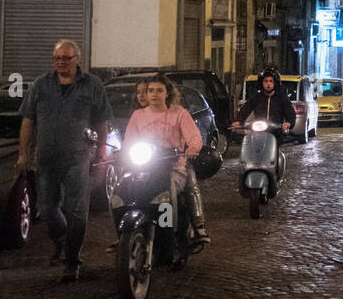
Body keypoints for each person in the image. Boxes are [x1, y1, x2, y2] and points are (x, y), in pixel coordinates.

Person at [18, 39, 110, 282]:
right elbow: (28, 120)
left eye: (66, 58)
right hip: (46, 158)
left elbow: (102, 123)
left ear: (77, 59)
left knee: (77, 210)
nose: (61, 62)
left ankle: (71, 261)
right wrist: (23, 153)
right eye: (57, 58)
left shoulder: (92, 85)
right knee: (47, 209)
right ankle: (62, 239)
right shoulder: (40, 85)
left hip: (78, 158)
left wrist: (101, 152)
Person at [124, 75, 210, 251]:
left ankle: (172, 231)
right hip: (144, 167)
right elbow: (129, 141)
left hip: (173, 168)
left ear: (167, 93)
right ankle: (126, 232)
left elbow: (194, 136)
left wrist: (193, 147)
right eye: (151, 90)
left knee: (169, 193)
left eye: (159, 90)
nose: (154, 94)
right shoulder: (138, 115)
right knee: (124, 190)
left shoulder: (179, 113)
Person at [234, 68, 297, 141]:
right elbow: (246, 108)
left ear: (275, 83)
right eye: (266, 81)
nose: (268, 84)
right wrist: (238, 120)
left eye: (271, 81)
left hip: (276, 134)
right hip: (259, 132)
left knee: (274, 150)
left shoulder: (282, 98)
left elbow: (290, 113)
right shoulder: (257, 97)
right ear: (262, 83)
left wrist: (288, 123)